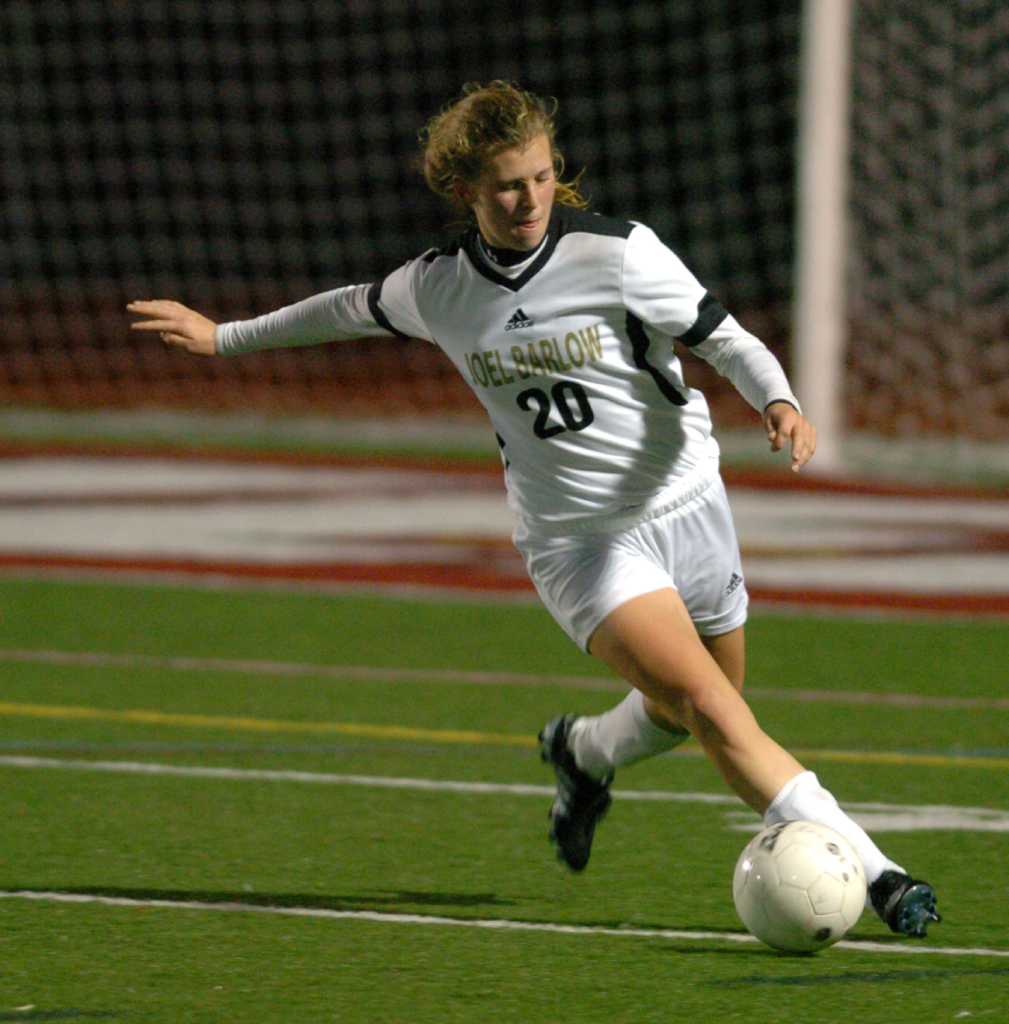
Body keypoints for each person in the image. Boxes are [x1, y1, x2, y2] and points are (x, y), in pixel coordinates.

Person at [128, 81, 939, 938]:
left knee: (689, 707)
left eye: (543, 177)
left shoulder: (618, 254)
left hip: (691, 502)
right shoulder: (437, 287)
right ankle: (880, 874)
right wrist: (226, 336)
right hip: (580, 543)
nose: (529, 199)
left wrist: (778, 402)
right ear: (465, 189)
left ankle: (582, 753)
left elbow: (726, 338)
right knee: (711, 708)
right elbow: (342, 309)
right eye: (508, 184)